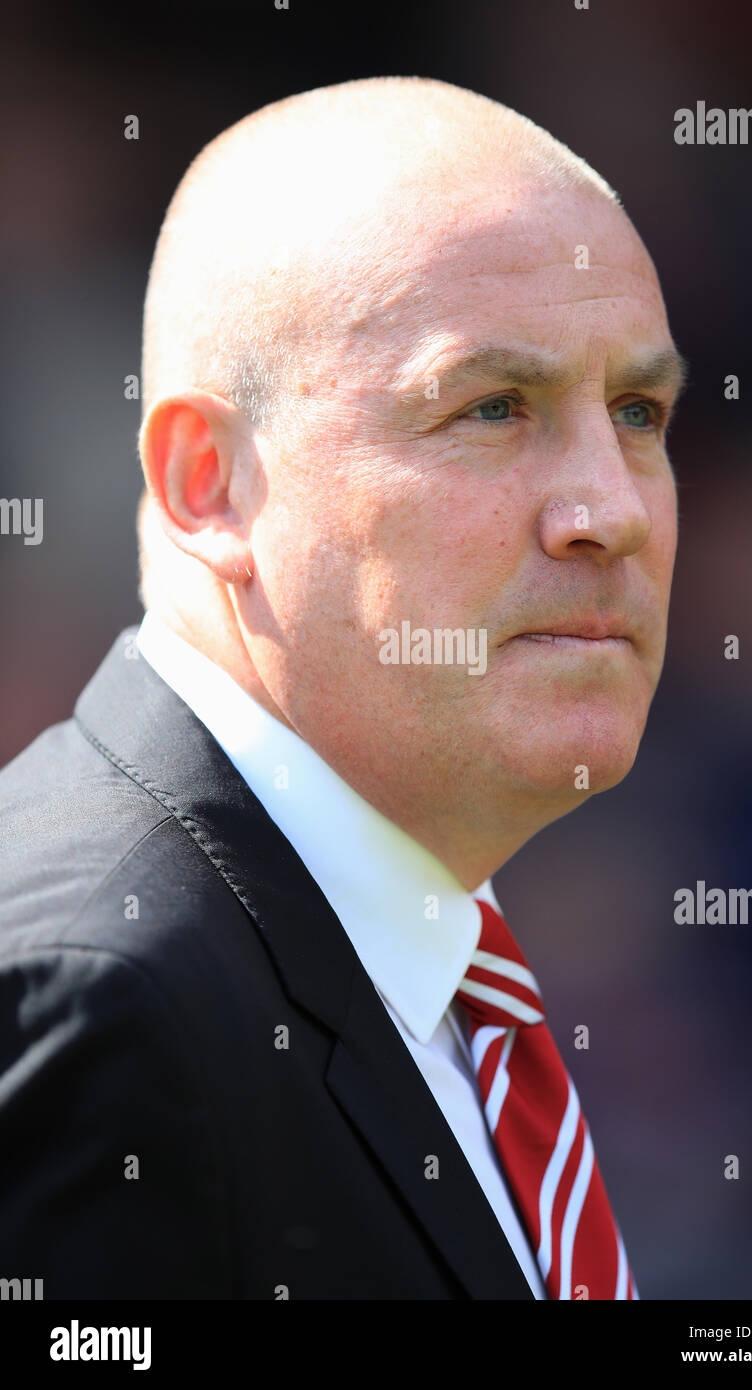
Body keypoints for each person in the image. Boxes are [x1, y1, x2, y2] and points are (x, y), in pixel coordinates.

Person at [0, 76, 686, 1299]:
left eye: (638, 409)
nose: (611, 511)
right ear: (210, 485)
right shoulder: (104, 1001)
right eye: (491, 407)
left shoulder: (419, 970)